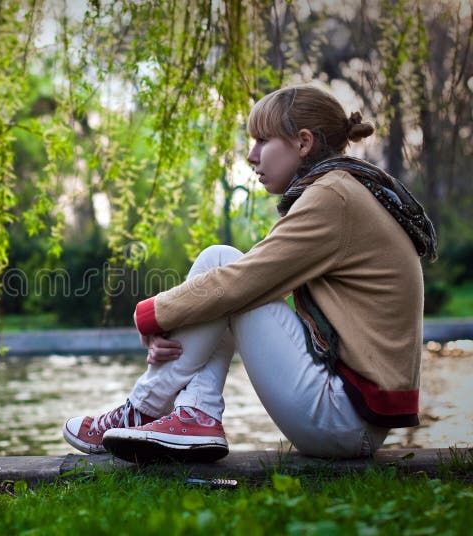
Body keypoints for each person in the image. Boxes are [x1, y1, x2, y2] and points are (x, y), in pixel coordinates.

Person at [62, 83, 437, 463]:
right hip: (350, 416)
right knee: (223, 277)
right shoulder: (343, 189)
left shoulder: (333, 197)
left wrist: (151, 315)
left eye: (262, 140)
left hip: (343, 420)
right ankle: (195, 414)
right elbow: (249, 281)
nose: (251, 155)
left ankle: (146, 407)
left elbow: (242, 280)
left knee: (221, 265)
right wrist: (179, 318)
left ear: (303, 142)